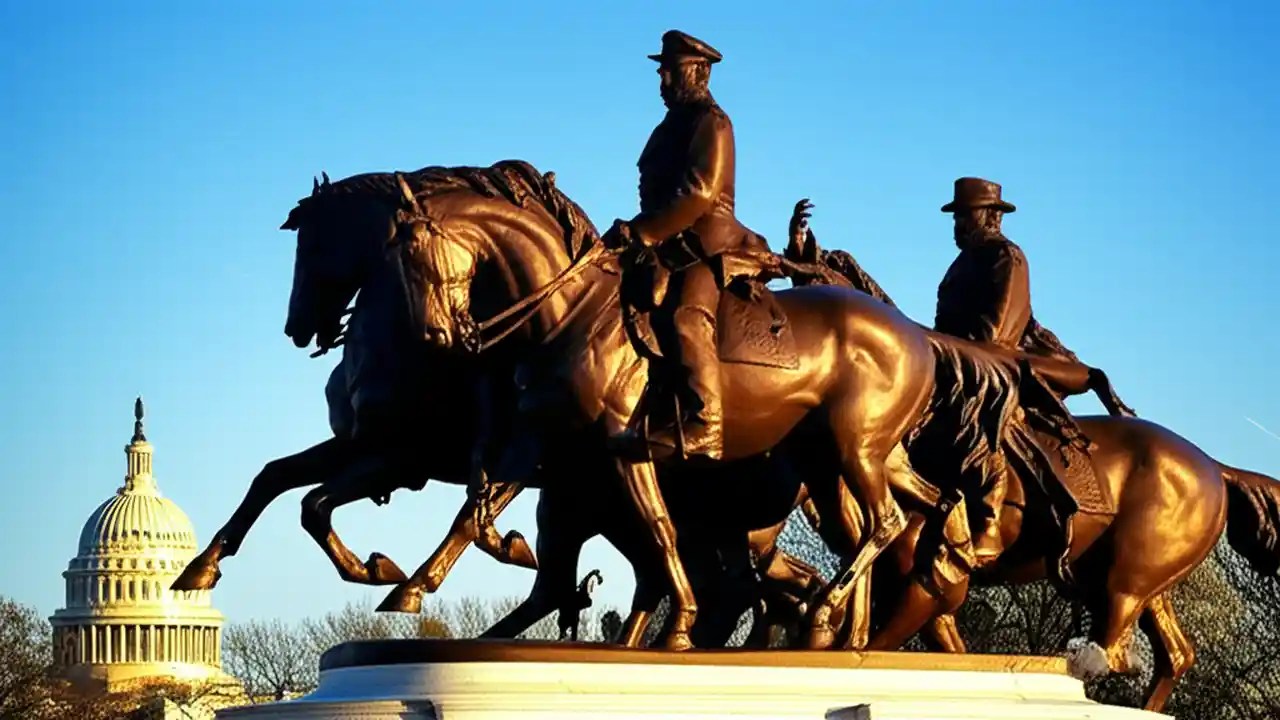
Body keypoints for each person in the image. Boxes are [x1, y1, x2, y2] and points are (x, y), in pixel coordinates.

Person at [603, 30, 764, 461]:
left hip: (703, 241)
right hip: (662, 238)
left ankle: (705, 422)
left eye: (671, 72)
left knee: (685, 317)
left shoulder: (712, 122)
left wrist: (644, 232)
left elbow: (698, 194)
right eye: (662, 73)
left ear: (701, 71)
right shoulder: (668, 126)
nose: (663, 81)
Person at [932, 177, 1085, 565]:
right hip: (957, 358)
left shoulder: (1007, 258)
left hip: (994, 363)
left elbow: (996, 331)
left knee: (979, 418)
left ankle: (988, 518)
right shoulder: (959, 266)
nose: (958, 226)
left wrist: (953, 354)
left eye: (964, 217)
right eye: (956, 218)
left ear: (992, 217)